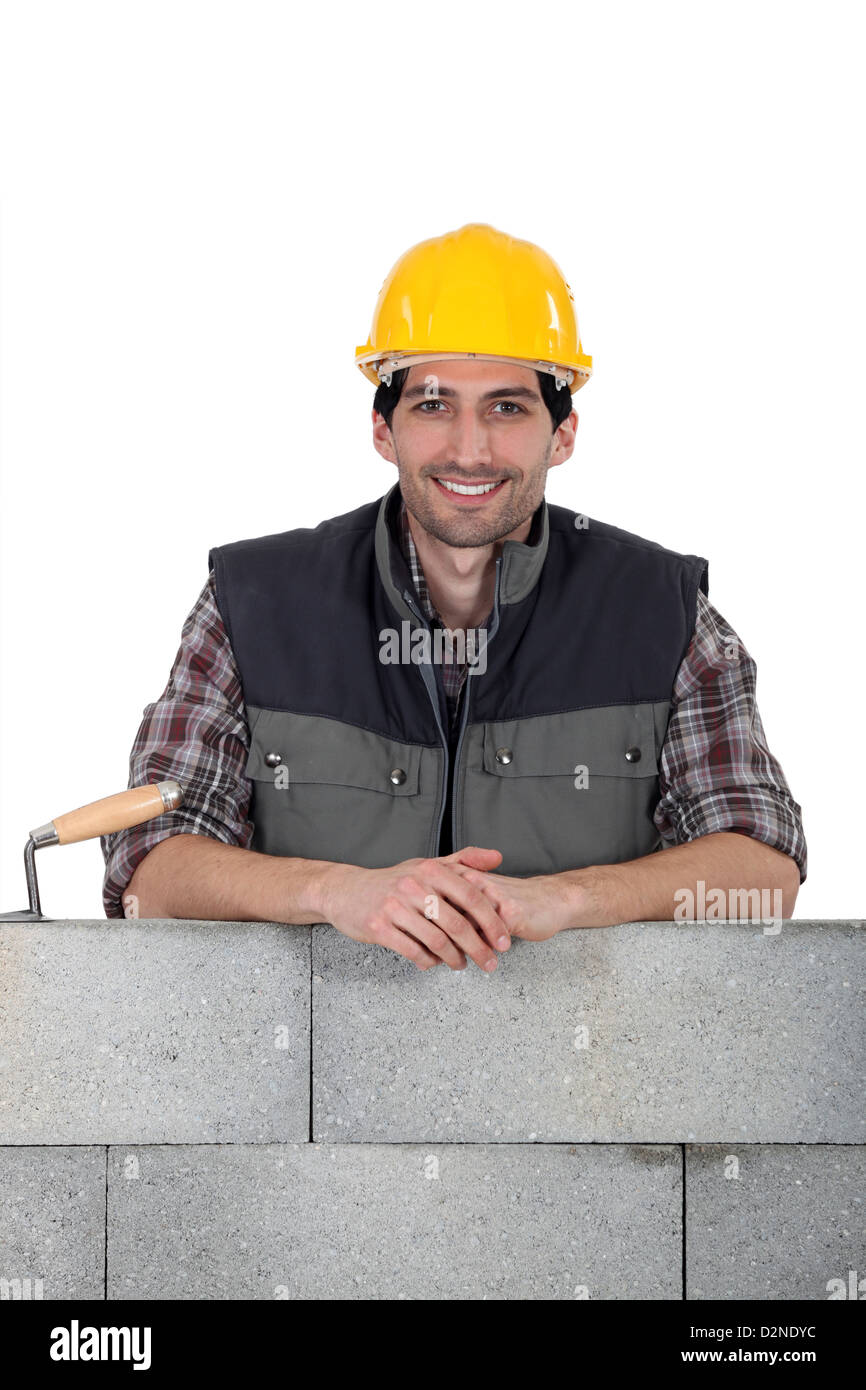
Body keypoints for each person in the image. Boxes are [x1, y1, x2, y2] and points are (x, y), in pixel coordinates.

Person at [102, 222, 806, 972]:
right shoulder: (252, 605)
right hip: (304, 1081)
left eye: (507, 408)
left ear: (562, 434)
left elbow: (763, 873)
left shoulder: (660, 613)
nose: (470, 450)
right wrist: (336, 893)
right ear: (383, 427)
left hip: (595, 1079)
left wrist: (563, 900)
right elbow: (150, 869)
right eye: (434, 407)